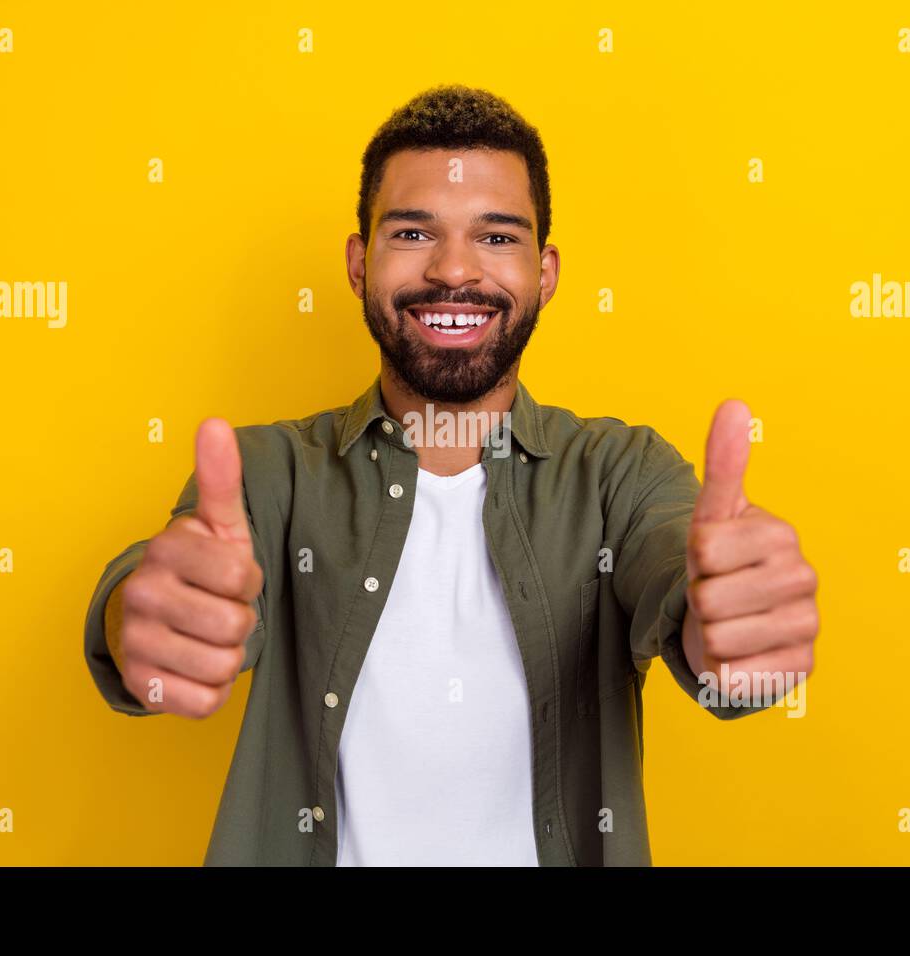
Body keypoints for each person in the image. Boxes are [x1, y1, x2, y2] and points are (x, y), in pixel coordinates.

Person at [83, 84, 819, 866]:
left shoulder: (620, 474)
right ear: (360, 264)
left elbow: (683, 588)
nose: (455, 271)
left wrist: (731, 630)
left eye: (497, 238)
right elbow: (164, 599)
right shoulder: (264, 474)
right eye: (412, 232)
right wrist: (144, 624)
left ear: (547, 270)